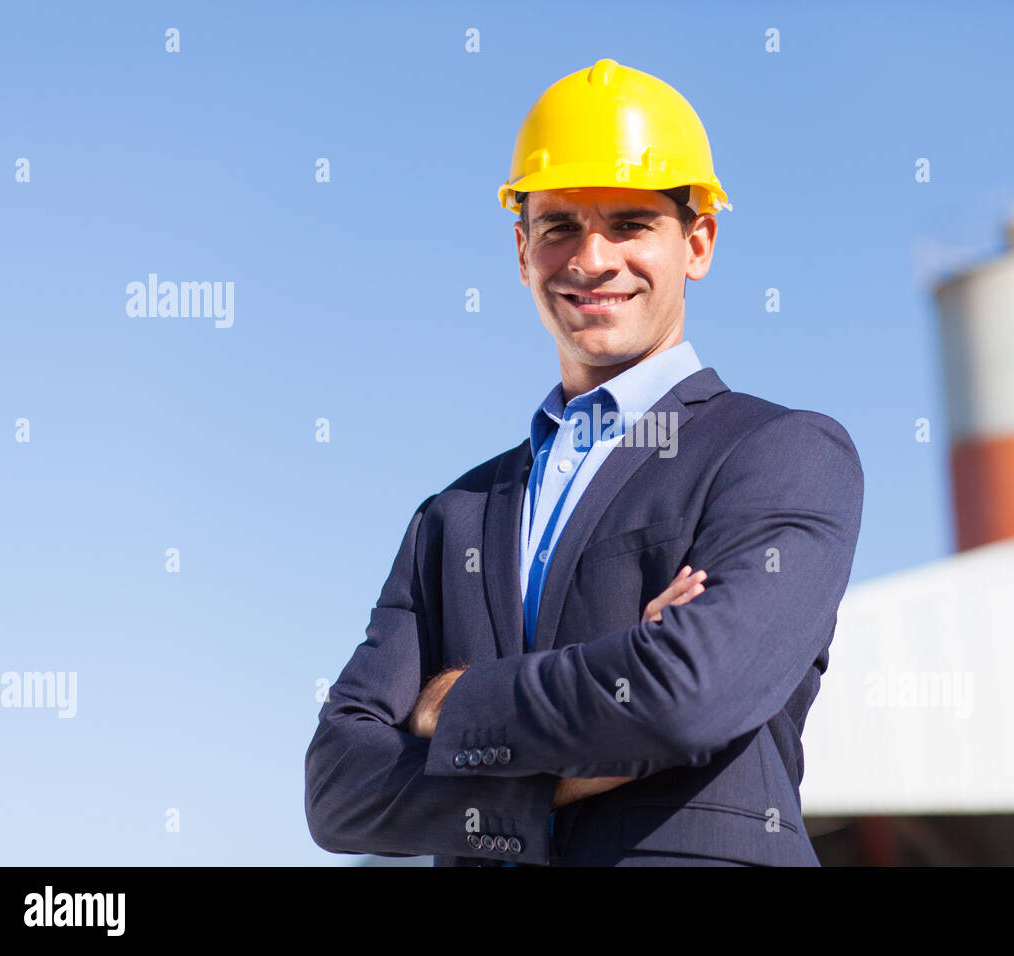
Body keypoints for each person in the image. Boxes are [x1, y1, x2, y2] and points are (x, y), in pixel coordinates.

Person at [304, 58, 863, 866]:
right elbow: (337, 789)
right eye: (560, 224)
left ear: (697, 242)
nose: (592, 259)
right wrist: (551, 778)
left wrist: (454, 701)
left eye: (631, 224)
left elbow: (685, 696)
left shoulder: (780, 453)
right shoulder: (452, 515)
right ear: (522, 248)